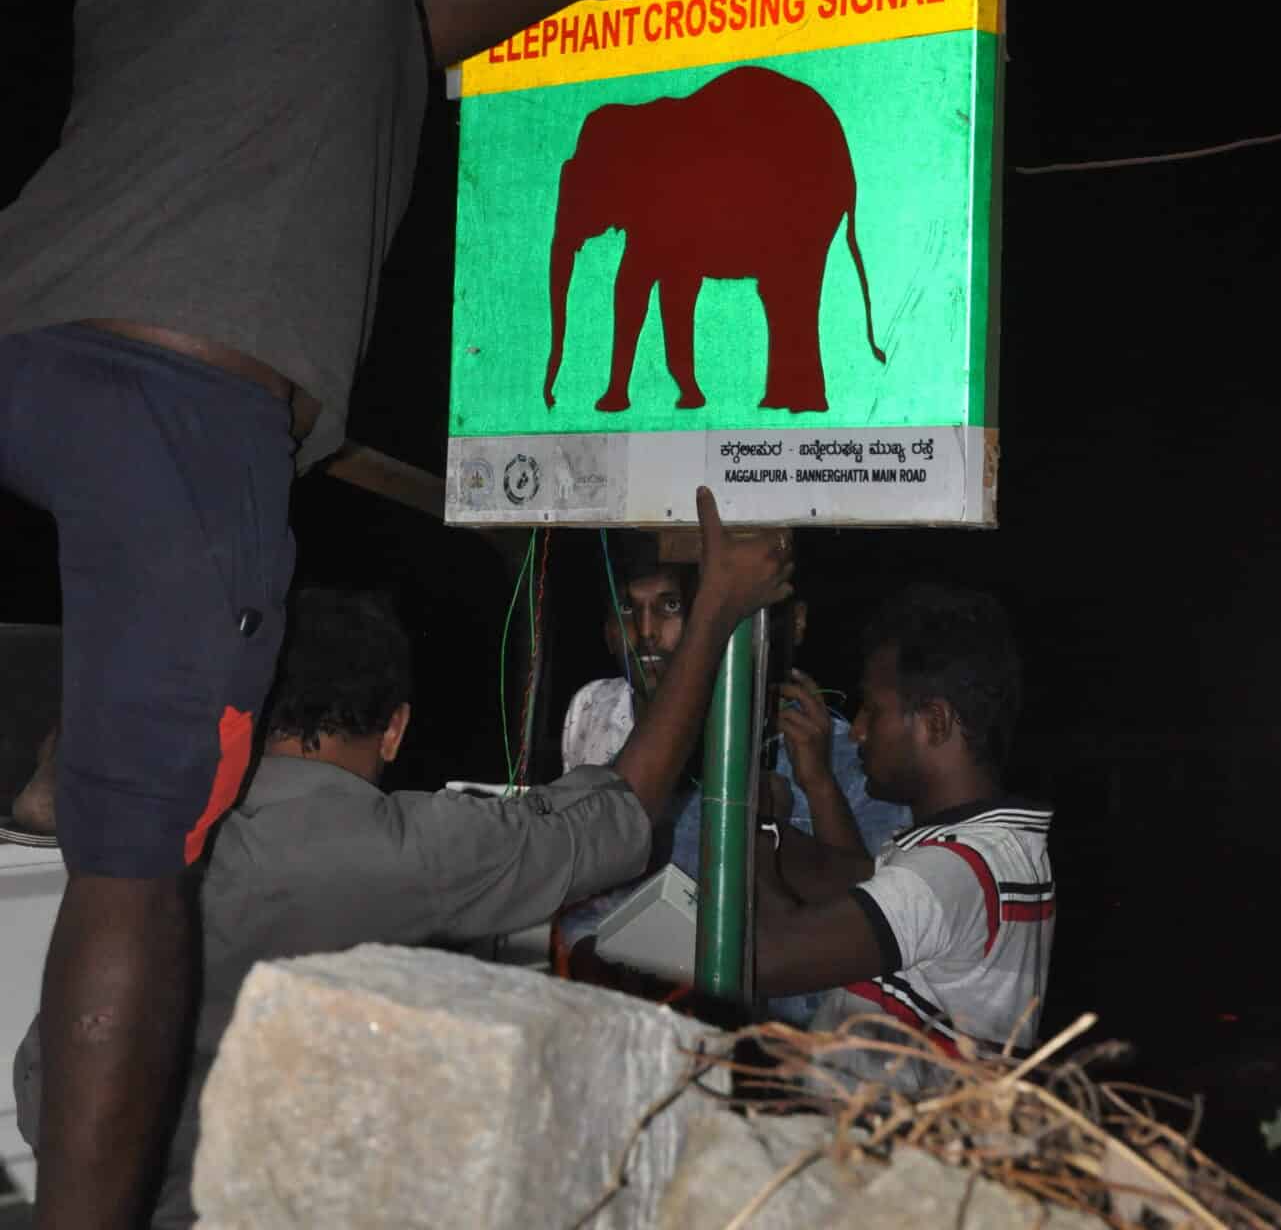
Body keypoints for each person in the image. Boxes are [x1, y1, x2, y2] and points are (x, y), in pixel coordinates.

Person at [0, 0, 805, 1230]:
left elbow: (402, 25)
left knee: (124, 770)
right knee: (136, 863)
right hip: (177, 400)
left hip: (35, 351)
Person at [14, 488, 792, 1228]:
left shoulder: (159, 815)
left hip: (84, 1179)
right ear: (393, 730)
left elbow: (42, 806)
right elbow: (625, 809)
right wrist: (715, 610)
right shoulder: (404, 852)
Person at [560, 537, 900, 1022]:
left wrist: (808, 797)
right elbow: (589, 891)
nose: (647, 633)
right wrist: (592, 958)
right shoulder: (595, 713)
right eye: (628, 611)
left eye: (672, 607)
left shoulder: (845, 757)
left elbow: (875, 924)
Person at [753, 583, 1054, 1089]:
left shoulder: (957, 871)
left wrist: (757, 824)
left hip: (873, 1156)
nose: (857, 732)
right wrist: (810, 790)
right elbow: (848, 886)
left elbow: (768, 958)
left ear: (935, 722)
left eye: (873, 709)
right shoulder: (983, 851)